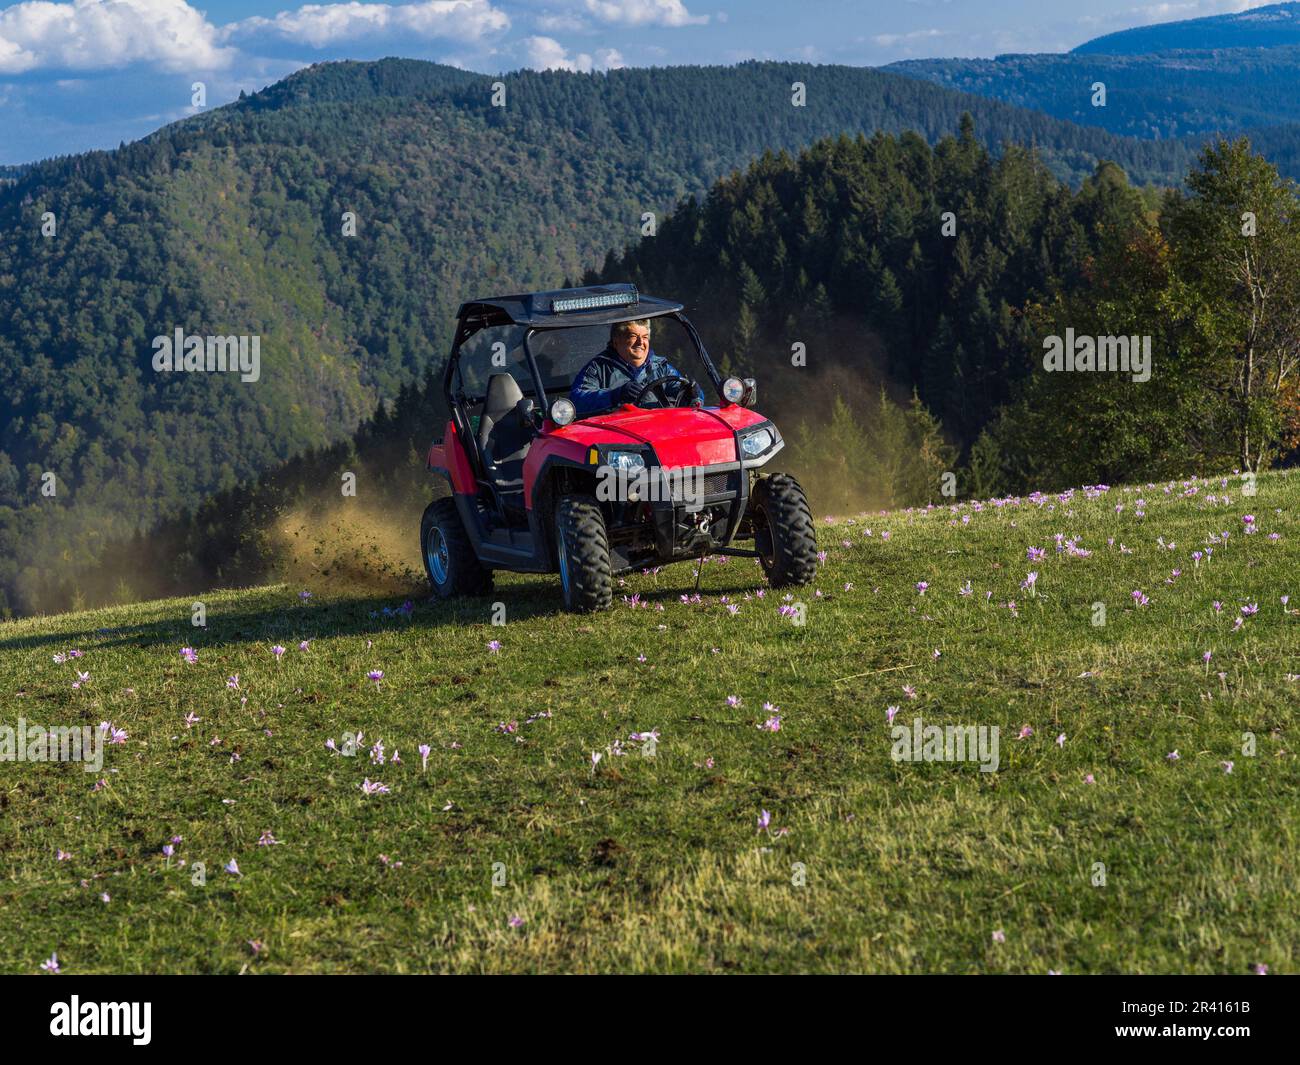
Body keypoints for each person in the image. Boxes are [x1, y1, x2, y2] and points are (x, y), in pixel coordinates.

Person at [569, 319, 688, 415]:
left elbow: (686, 392)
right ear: (616, 342)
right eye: (633, 336)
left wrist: (692, 394)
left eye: (645, 337)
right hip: (615, 436)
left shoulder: (661, 367)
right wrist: (615, 395)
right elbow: (576, 402)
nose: (640, 342)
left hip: (657, 431)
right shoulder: (598, 368)